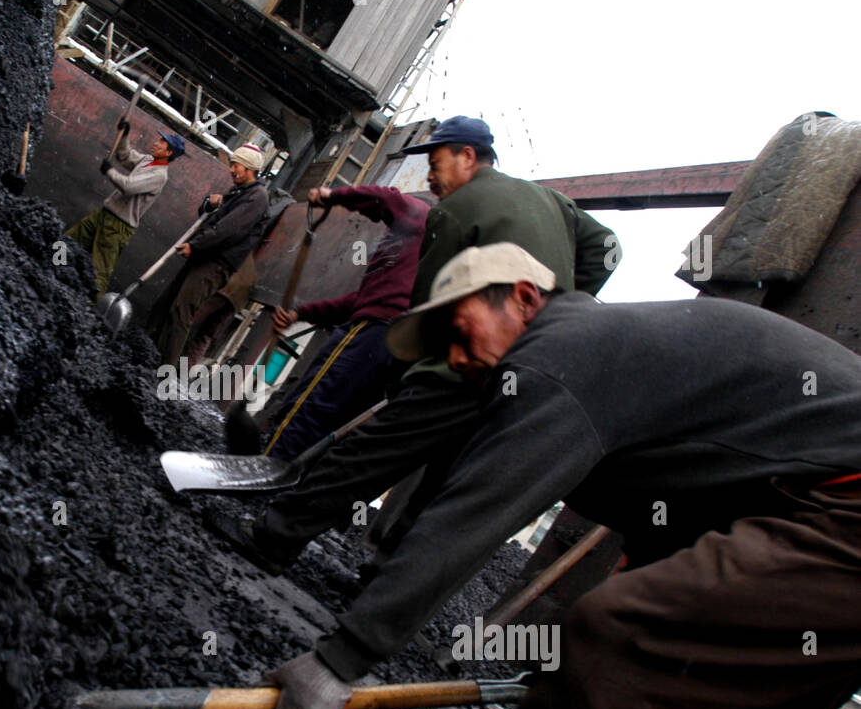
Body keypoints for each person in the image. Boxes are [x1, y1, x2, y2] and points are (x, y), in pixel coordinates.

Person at [262, 242, 861, 709]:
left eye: (459, 328)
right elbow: (694, 505)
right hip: (816, 521)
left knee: (616, 640)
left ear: (523, 298)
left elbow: (471, 515)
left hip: (844, 514)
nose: (455, 357)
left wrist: (339, 661)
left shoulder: (560, 358)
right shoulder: (618, 353)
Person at [205, 116, 618, 575]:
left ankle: (274, 537)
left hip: (458, 367)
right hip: (526, 373)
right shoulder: (552, 202)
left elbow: (427, 307)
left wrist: (404, 378)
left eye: (437, 163)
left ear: (467, 156)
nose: (430, 178)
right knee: (441, 484)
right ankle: (381, 583)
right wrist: (550, 303)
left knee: (369, 452)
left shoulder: (455, 212)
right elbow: (606, 245)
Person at [252, 183, 429, 462]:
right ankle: (290, 485)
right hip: (395, 346)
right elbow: (360, 299)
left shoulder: (418, 214)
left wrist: (331, 196)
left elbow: (384, 198)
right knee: (336, 419)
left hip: (372, 332)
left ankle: (267, 465)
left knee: (310, 404)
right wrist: (302, 313)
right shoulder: (407, 264)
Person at [156, 144, 270, 367]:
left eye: (236, 165)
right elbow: (212, 218)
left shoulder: (257, 198)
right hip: (205, 257)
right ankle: (150, 351)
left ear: (249, 168)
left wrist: (196, 246)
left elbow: (228, 229)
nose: (232, 170)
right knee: (167, 304)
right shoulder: (240, 193)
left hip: (216, 263)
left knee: (182, 311)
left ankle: (163, 370)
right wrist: (214, 202)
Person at [66, 123, 185, 297]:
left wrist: (109, 171)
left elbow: (128, 187)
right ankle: (52, 265)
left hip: (118, 226)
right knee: (67, 240)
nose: (156, 143)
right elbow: (125, 155)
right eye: (159, 139)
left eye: (162, 143)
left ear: (169, 153)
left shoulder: (159, 176)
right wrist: (124, 135)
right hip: (105, 214)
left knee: (99, 271)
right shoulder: (147, 160)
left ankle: (88, 305)